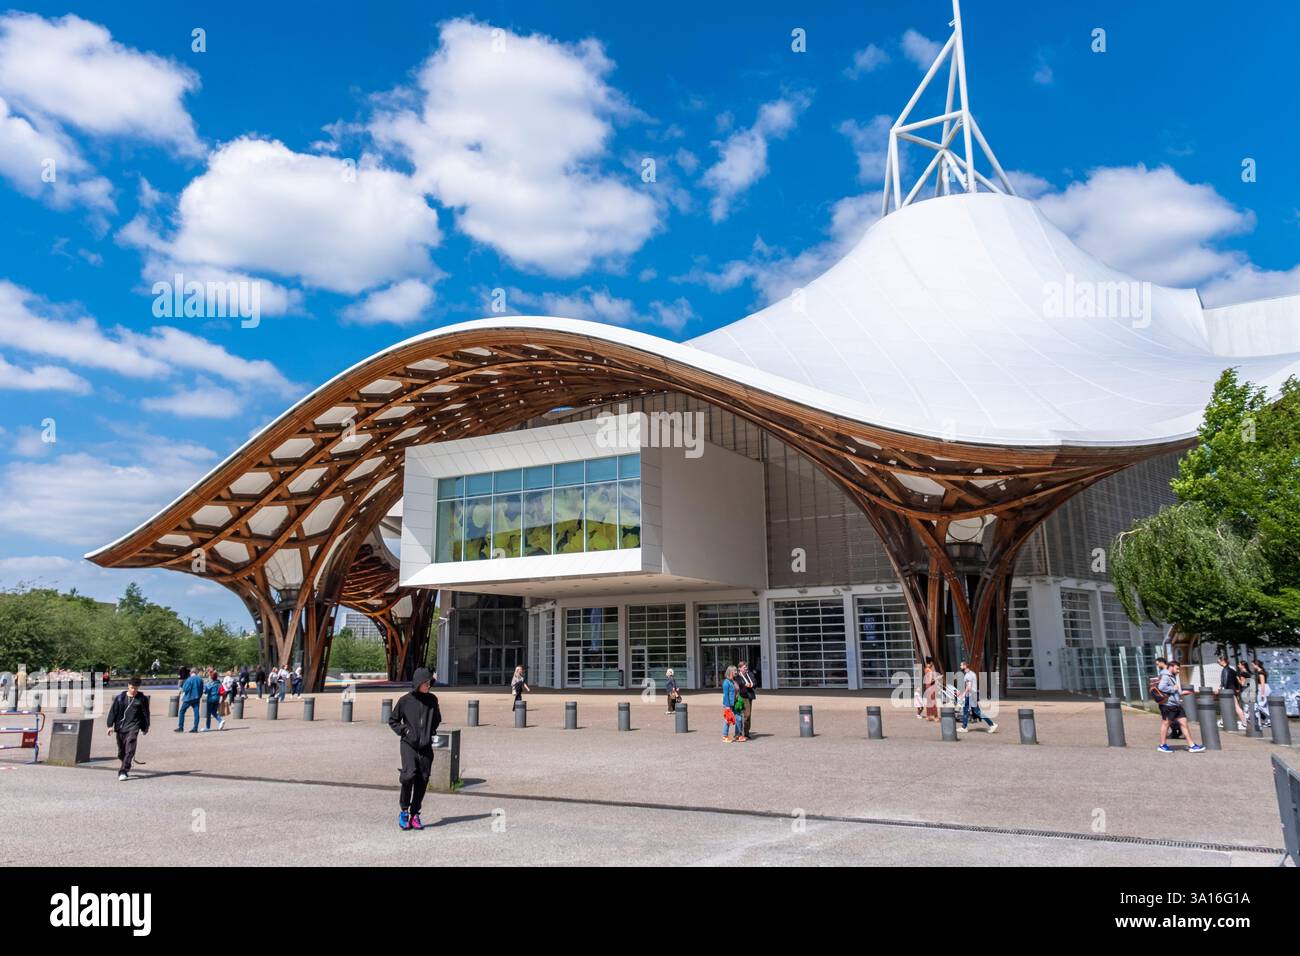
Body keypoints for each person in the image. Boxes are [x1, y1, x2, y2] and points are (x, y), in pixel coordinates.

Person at [387, 667, 441, 831]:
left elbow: (437, 719)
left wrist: (429, 732)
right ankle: (404, 811)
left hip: (425, 745)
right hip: (408, 744)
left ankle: (415, 813)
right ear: (418, 683)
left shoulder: (432, 700)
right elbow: (393, 720)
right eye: (425, 683)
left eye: (429, 683)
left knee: (423, 779)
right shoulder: (405, 700)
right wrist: (406, 731)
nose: (428, 686)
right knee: (408, 775)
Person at [106, 676, 150, 780]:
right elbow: (113, 712)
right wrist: (109, 725)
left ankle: (123, 771)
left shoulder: (142, 699)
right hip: (120, 728)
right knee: (122, 752)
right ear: (128, 686)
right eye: (132, 688)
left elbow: (146, 714)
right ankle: (125, 761)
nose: (134, 690)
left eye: (136, 688)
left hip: (133, 727)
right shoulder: (120, 698)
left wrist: (145, 727)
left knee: (130, 748)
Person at [1156, 661, 1206, 753]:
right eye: (1177, 668)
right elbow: (1161, 687)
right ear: (1171, 667)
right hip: (1168, 705)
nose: (1178, 671)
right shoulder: (1166, 676)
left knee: (1184, 723)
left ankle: (1192, 745)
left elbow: (1174, 690)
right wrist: (1173, 689)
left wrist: (1182, 693)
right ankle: (1162, 745)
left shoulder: (1172, 676)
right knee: (1166, 724)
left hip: (1176, 704)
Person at [956, 661, 998, 734]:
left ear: (965, 666)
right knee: (965, 710)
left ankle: (992, 724)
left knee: (977, 712)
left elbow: (969, 687)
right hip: (971, 694)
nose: (960, 667)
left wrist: (963, 694)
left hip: (971, 695)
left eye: (961, 665)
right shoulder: (972, 673)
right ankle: (964, 727)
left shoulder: (968, 675)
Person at [1217, 655, 1245, 730]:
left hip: (1227, 690)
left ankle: (1244, 722)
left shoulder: (1225, 670)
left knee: (1236, 707)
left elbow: (1225, 681)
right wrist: (1237, 689)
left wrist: (1222, 688)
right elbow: (1237, 681)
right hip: (1232, 690)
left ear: (1223, 661)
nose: (1218, 662)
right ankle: (1222, 721)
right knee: (1226, 706)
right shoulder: (1232, 670)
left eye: (1219, 661)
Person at [176, 666, 203, 733]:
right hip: (196, 698)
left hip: (188, 698)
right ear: (196, 672)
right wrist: (199, 696)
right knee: (196, 713)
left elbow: (185, 689)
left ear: (191, 672)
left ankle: (181, 727)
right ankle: (195, 727)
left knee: (182, 711)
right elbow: (201, 689)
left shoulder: (189, 679)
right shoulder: (200, 679)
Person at [721, 665, 745, 742]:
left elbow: (738, 689)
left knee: (739, 718)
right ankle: (725, 736)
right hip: (729, 704)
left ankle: (738, 735)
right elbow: (726, 695)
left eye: (736, 671)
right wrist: (727, 706)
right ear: (730, 672)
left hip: (736, 703)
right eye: (734, 671)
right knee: (728, 720)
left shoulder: (734, 681)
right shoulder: (726, 682)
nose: (736, 672)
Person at [736, 661, 757, 738]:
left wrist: (752, 685)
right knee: (740, 715)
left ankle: (746, 733)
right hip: (741, 697)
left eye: (746, 667)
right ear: (740, 668)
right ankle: (739, 733)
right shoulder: (738, 676)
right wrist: (745, 685)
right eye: (744, 667)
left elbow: (755, 683)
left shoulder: (750, 674)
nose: (746, 668)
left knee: (748, 716)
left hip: (749, 696)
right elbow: (738, 684)